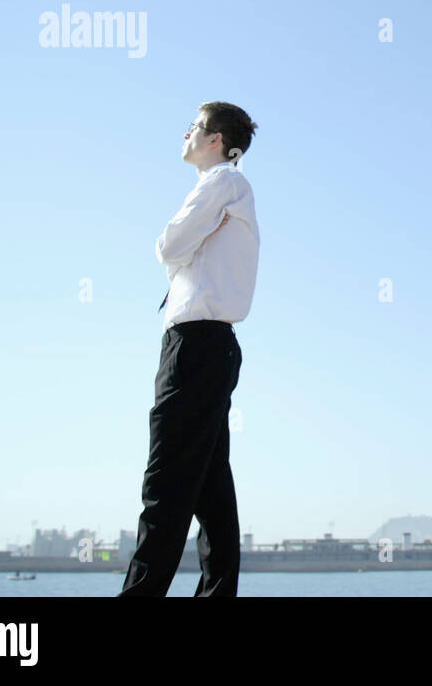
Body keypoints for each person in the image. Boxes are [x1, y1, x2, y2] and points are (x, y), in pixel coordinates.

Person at [119, 102, 260, 597]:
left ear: (216, 139)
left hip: (195, 345)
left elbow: (168, 246)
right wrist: (185, 248)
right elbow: (180, 249)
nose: (186, 134)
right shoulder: (227, 186)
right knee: (209, 485)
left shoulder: (221, 182)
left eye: (194, 128)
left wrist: (180, 249)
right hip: (210, 346)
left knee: (167, 478)